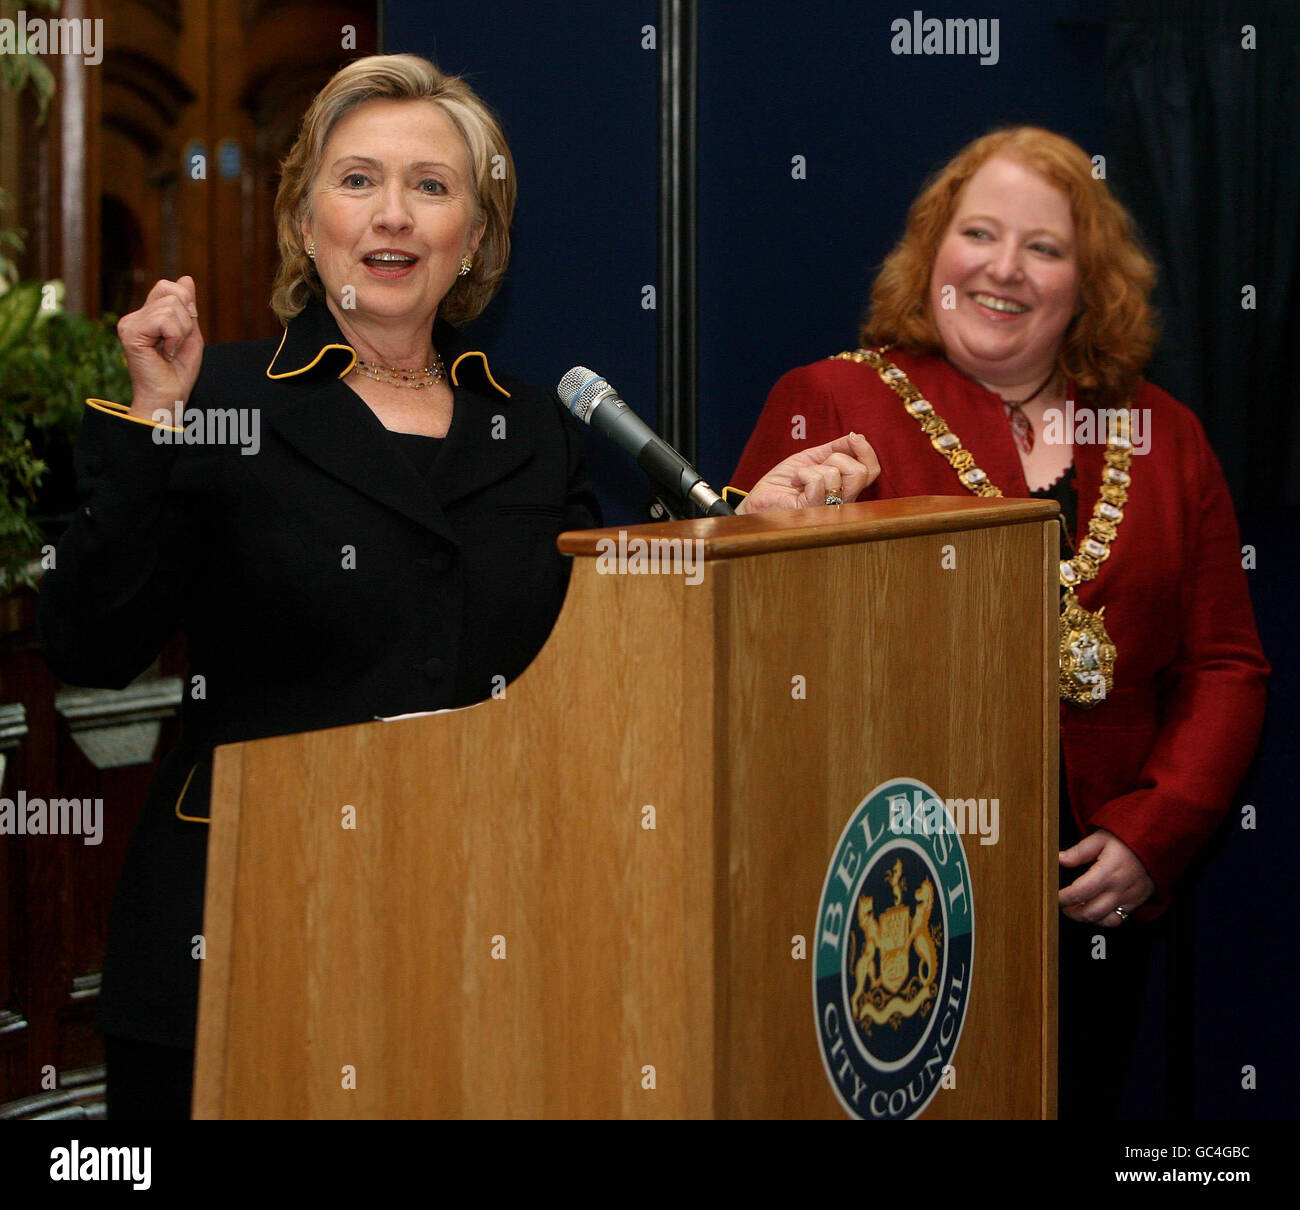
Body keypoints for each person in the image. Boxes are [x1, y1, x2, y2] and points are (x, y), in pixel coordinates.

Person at [38, 53, 873, 1120]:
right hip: (247, 937)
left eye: (433, 188)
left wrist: (746, 520)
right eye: (356, 180)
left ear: (473, 238)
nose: (393, 214)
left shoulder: (529, 426)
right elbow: (87, 639)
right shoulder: (215, 395)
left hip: (483, 937)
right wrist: (155, 417)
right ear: (302, 221)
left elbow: (602, 654)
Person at [731, 126, 1269, 1117]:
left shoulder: (1166, 433)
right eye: (978, 233)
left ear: (1086, 282)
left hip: (1091, 887)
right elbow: (728, 651)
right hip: (884, 887)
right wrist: (766, 530)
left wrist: (1157, 831)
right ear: (933, 250)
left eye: (1044, 248)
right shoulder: (833, 398)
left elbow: (1226, 665)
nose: (1004, 269)